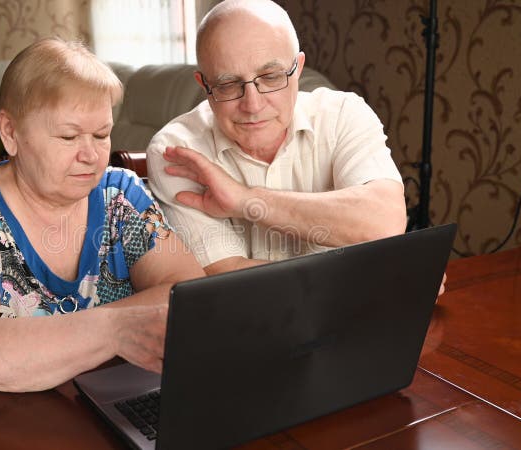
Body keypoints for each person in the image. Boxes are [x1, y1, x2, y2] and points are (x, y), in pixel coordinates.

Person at [0, 37, 204, 392]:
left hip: (103, 396)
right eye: (69, 137)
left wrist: (76, 338)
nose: (91, 156)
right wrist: (114, 330)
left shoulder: (120, 193)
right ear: (10, 132)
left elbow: (190, 297)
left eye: (101, 135)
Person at [147, 0, 411, 276]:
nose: (253, 105)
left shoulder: (343, 115)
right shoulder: (176, 150)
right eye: (227, 84)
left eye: (271, 77)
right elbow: (227, 278)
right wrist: (363, 275)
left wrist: (247, 201)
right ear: (204, 85)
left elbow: (385, 223)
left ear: (298, 68)